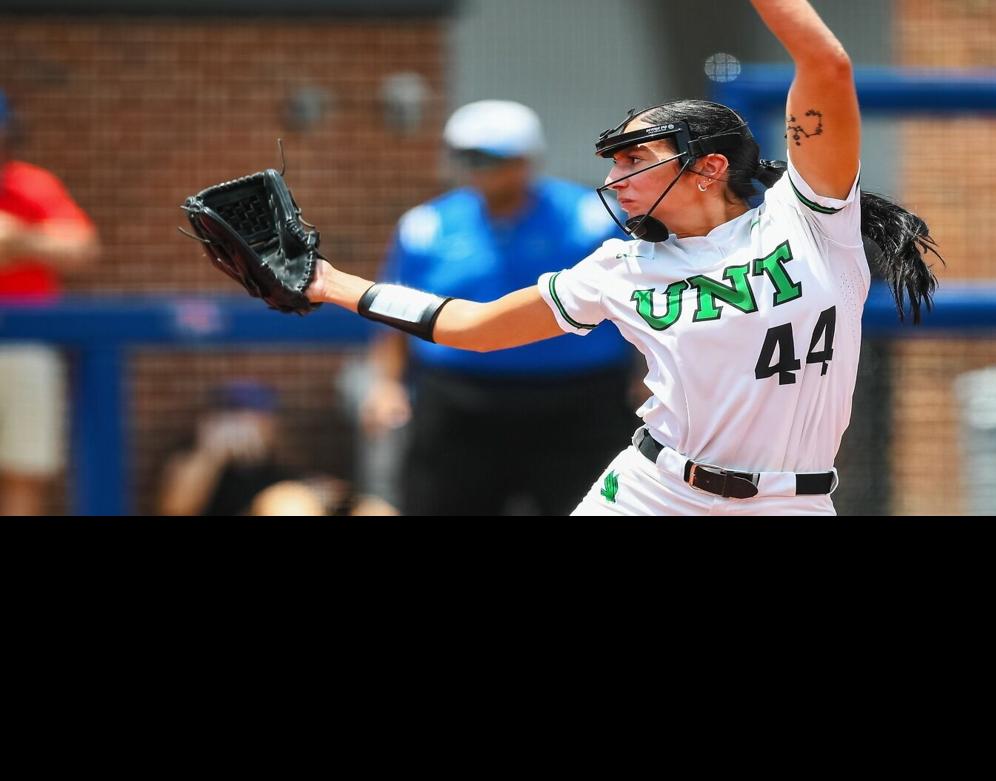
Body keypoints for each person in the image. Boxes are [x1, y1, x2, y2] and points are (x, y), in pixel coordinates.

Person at [303, 0, 940, 516]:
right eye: (614, 162)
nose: (614, 178)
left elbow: (826, 64)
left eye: (635, 159)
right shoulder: (619, 266)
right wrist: (330, 282)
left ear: (708, 168)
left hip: (787, 501)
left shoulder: (809, 218)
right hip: (651, 491)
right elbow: (467, 327)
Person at [360, 100, 640, 516]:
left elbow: (636, 297)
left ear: (527, 160)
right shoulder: (427, 226)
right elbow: (400, 310)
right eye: (466, 157)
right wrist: (386, 384)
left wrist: (649, 374)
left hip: (579, 402)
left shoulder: (590, 218)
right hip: (459, 403)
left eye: (491, 158)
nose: (477, 169)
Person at [0, 87, 101, 516]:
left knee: (23, 468)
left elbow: (83, 249)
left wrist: (21, 239)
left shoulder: (29, 183)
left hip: (25, 343)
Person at [157, 380, 397, 517]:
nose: (246, 426)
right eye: (236, 415)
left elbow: (332, 491)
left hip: (300, 501)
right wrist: (211, 452)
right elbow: (174, 509)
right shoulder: (192, 459)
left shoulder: (278, 460)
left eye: (256, 415)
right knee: (287, 505)